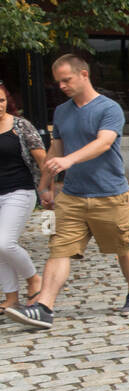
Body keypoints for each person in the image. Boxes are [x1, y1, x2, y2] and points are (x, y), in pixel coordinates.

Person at [6, 55, 129, 330]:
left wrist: (70, 161)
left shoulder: (109, 108)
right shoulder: (61, 112)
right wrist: (45, 185)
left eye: (66, 80)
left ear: (84, 74)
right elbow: (55, 151)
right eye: (58, 81)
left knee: (123, 247)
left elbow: (104, 142)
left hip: (109, 194)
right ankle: (44, 307)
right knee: (59, 250)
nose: (61, 86)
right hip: (71, 196)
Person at [0, 81, 46, 313]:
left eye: (1, 100)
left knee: (4, 243)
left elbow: (42, 160)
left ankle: (33, 279)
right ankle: (10, 298)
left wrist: (48, 190)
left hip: (19, 190)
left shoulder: (20, 125)